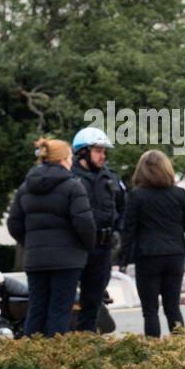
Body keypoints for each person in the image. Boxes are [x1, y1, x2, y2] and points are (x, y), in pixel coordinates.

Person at [6, 138, 95, 337]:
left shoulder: (26, 187)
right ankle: (53, 361)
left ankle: (30, 358)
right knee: (60, 311)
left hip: (36, 259)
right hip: (67, 260)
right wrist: (86, 247)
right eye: (70, 157)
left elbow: (14, 223)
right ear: (64, 159)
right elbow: (85, 224)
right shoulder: (73, 186)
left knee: (36, 310)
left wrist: (31, 244)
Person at [119, 149, 185, 338]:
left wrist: (122, 260)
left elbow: (128, 230)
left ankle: (154, 355)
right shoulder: (179, 193)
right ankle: (183, 352)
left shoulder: (136, 195)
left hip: (148, 256)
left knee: (150, 311)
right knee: (173, 308)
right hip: (175, 254)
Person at [71, 126, 125, 332]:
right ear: (83, 152)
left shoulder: (111, 179)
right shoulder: (70, 177)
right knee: (67, 300)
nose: (103, 156)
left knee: (93, 301)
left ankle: (87, 343)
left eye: (104, 151)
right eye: (98, 151)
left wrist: (118, 235)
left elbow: (123, 209)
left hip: (102, 249)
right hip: (76, 249)